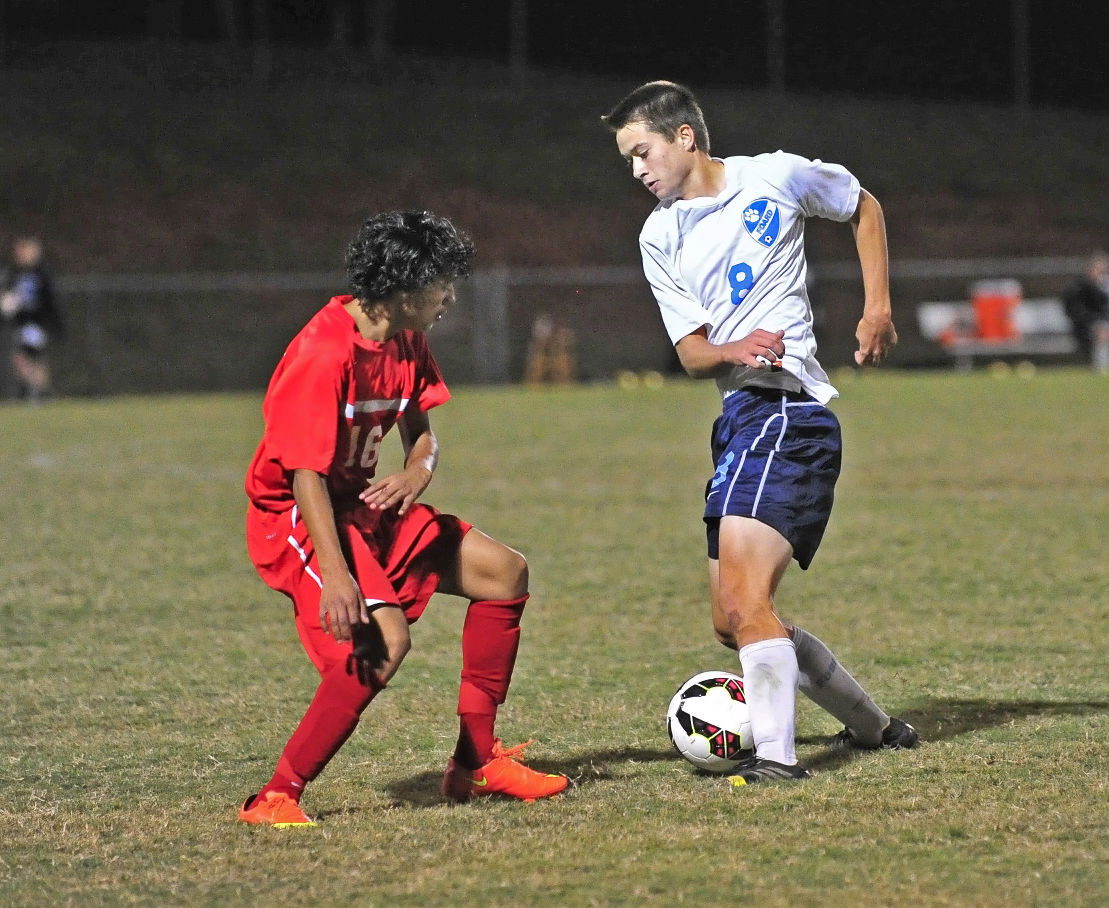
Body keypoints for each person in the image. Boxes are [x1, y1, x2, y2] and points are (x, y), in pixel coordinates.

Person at [601, 81, 918, 785]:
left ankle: (775, 759)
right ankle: (872, 727)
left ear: (685, 137)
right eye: (626, 160)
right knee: (730, 619)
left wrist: (877, 309)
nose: (636, 171)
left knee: (748, 605)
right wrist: (734, 348)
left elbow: (861, 205)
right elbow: (689, 353)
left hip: (788, 414)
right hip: (740, 418)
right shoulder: (660, 234)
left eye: (641, 152)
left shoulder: (771, 176)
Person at [239, 210, 568, 827]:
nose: (450, 295)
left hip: (357, 507)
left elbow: (423, 435)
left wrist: (421, 470)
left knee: (504, 573)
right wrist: (337, 578)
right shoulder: (323, 350)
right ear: (405, 288)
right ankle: (276, 796)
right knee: (382, 646)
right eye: (442, 282)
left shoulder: (405, 338)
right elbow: (303, 473)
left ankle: (475, 762)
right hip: (298, 514)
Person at [1, 236, 63, 402]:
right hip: (20, 322)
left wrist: (52, 323)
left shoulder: (41, 273)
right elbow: (9, 296)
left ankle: (41, 391)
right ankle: (33, 391)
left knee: (32, 356)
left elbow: (48, 300)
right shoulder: (14, 272)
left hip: (36, 322)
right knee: (23, 356)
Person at [1061, 251, 1109, 369]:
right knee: (1102, 332)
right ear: (1090, 269)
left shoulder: (1100, 288)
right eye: (1100, 271)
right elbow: (1076, 313)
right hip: (1082, 328)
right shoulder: (1076, 287)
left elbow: (1104, 309)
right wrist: (1096, 324)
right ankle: (1101, 368)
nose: (1103, 274)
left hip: (1098, 323)